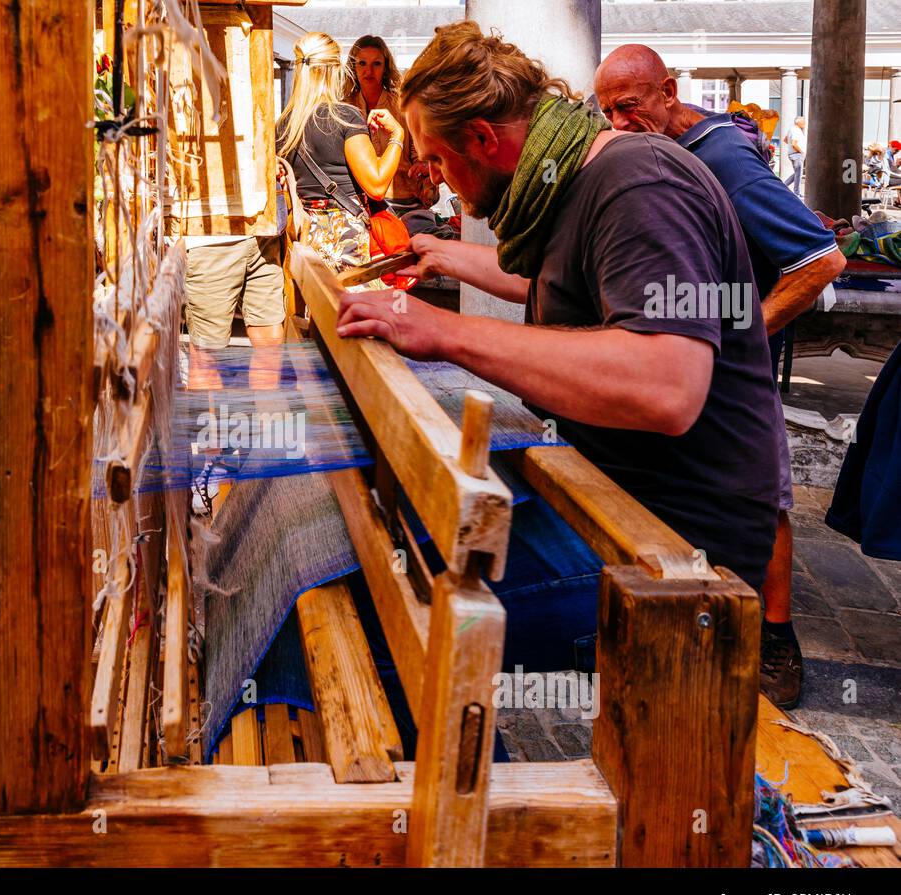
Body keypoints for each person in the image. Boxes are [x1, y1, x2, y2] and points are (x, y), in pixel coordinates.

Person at [337, 22, 782, 603]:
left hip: (673, 534)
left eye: (439, 161)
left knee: (377, 592)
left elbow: (665, 385)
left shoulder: (640, 183)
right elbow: (554, 282)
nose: (438, 182)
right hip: (601, 483)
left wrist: (441, 330)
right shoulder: (575, 179)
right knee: (374, 538)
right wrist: (442, 255)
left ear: (481, 137)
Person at [593, 44, 846, 708]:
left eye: (629, 105)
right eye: (606, 112)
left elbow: (821, 260)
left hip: (736, 365)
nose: (618, 123)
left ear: (667, 91)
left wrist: (739, 335)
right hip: (703, 356)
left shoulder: (724, 159)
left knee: (767, 493)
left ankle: (776, 643)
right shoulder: (670, 154)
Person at [277, 32, 405, 281]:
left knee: (318, 314)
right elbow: (377, 185)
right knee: (354, 313)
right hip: (345, 238)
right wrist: (396, 136)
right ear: (335, 69)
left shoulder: (282, 126)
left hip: (305, 235)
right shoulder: (344, 116)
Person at [343, 35, 436, 220]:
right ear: (353, 67)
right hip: (360, 205)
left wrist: (422, 165)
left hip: (404, 202)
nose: (368, 71)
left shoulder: (403, 105)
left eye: (376, 64)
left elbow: (420, 155)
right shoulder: (344, 107)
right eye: (362, 63)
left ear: (385, 68)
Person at [783, 116, 807, 196]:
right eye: (803, 121)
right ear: (798, 122)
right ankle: (796, 192)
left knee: (797, 174)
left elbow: (785, 140)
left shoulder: (792, 129)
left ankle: (783, 186)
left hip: (793, 154)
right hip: (797, 155)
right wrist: (801, 152)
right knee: (799, 174)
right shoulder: (796, 130)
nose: (804, 123)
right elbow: (794, 143)